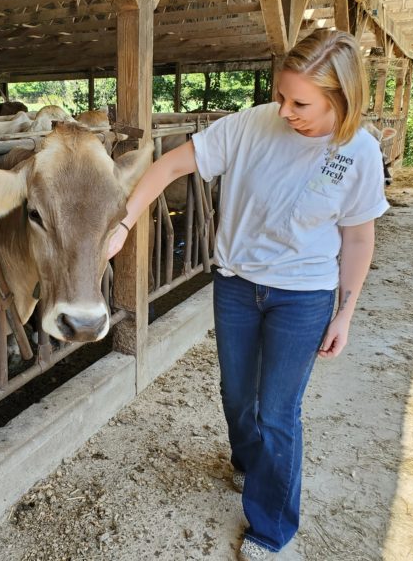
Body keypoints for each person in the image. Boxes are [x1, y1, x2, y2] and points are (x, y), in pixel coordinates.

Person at [108, 29, 388, 560]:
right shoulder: (251, 124)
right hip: (236, 283)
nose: (284, 111)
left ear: (341, 98)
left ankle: (270, 527)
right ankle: (249, 462)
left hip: (303, 295)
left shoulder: (360, 153)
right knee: (237, 396)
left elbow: (357, 237)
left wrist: (345, 313)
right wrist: (124, 221)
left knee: (279, 412)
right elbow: (169, 165)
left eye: (300, 102)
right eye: (280, 95)